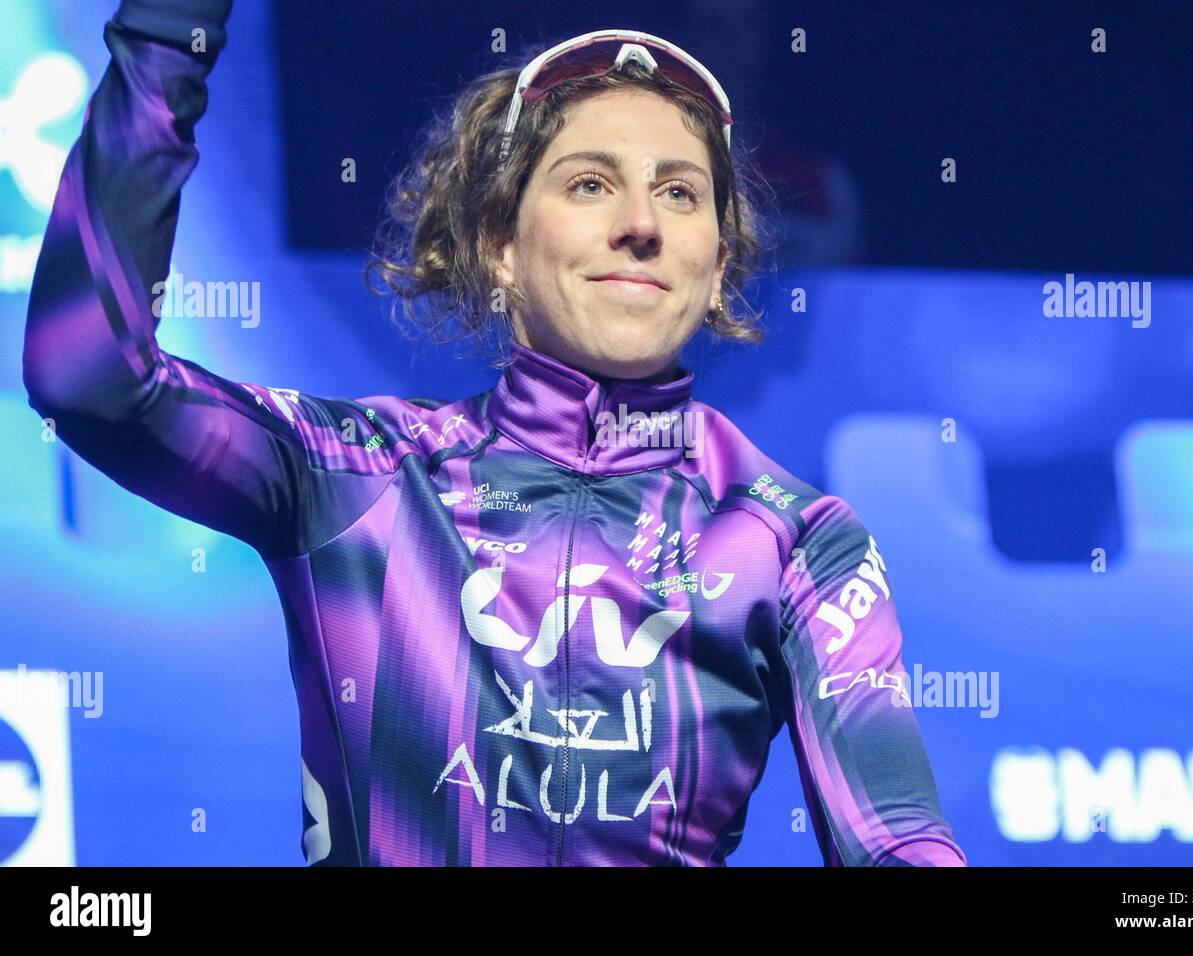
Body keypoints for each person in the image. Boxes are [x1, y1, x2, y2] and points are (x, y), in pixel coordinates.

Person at [22, 0, 967, 866]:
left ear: (717, 265)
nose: (641, 223)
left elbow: (899, 844)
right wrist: (165, 31)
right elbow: (92, 374)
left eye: (680, 192)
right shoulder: (359, 475)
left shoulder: (794, 539)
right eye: (591, 184)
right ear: (499, 248)